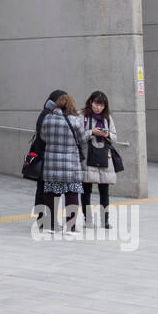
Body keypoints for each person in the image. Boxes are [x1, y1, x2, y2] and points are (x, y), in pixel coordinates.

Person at [40, 93, 90, 233]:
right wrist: (90, 132)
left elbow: (43, 136)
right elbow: (82, 138)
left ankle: (50, 225)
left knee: (51, 194)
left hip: (51, 165)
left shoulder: (48, 119)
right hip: (70, 165)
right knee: (72, 193)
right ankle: (71, 226)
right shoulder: (74, 120)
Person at [81, 91, 116, 229]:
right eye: (96, 104)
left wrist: (107, 134)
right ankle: (87, 220)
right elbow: (78, 136)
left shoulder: (107, 117)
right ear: (91, 102)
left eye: (101, 105)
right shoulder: (83, 116)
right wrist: (92, 132)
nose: (98, 108)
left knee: (104, 191)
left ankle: (105, 220)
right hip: (88, 156)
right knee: (86, 190)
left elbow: (114, 136)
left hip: (103, 157)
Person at [31, 89, 67, 224]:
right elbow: (43, 138)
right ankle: (43, 218)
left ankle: (42, 218)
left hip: (46, 155)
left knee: (44, 188)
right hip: (46, 157)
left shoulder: (47, 113)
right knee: (45, 189)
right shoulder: (47, 115)